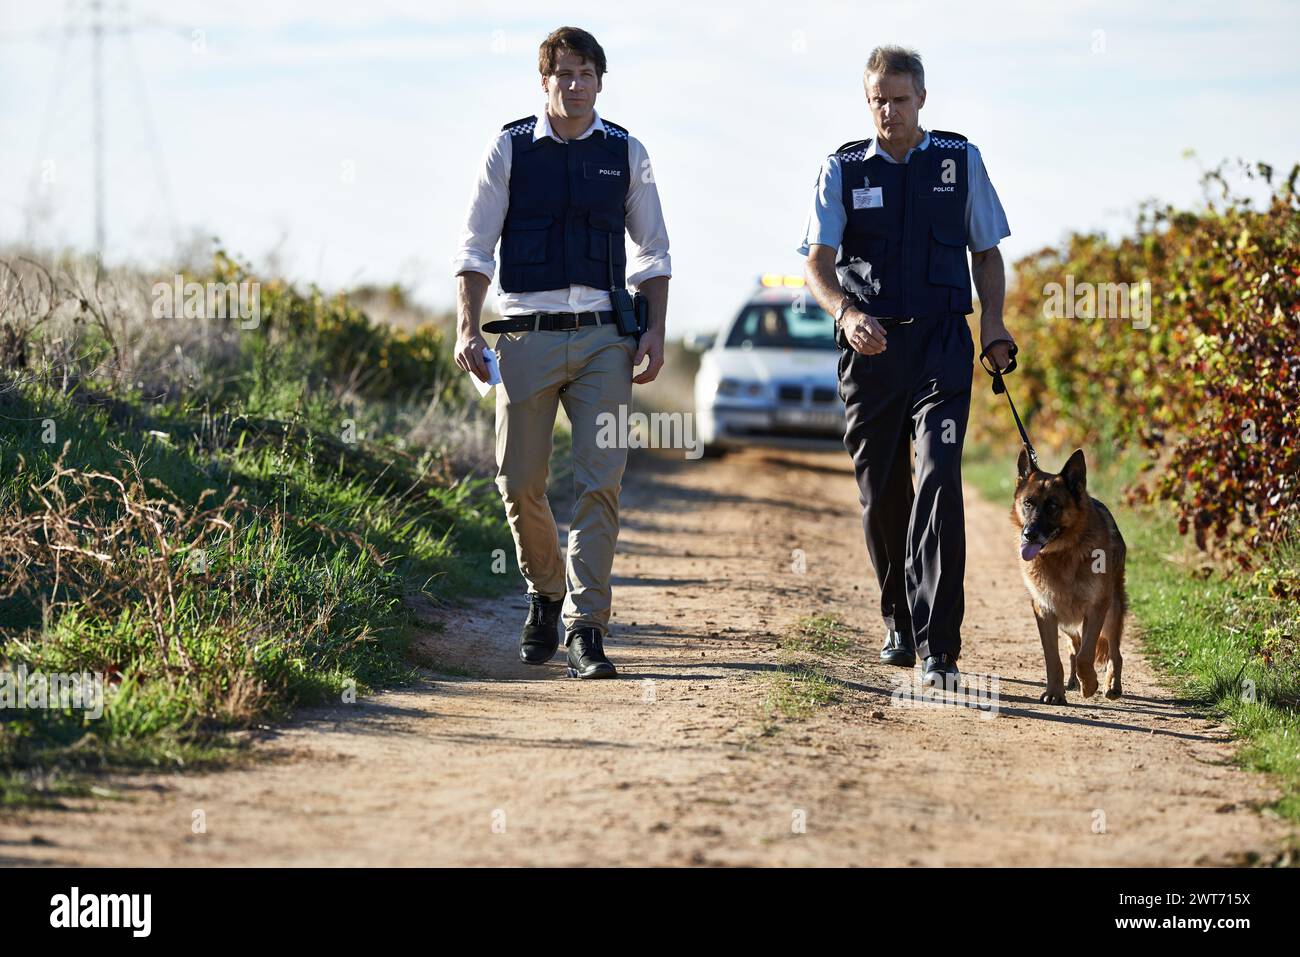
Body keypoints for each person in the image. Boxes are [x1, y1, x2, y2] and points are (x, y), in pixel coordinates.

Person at [452, 26, 671, 679]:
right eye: (562, 74)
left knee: (599, 482)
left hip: (607, 337)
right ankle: (546, 592)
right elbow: (473, 248)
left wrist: (654, 330)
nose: (574, 85)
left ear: (600, 80)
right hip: (523, 335)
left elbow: (654, 252)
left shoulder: (627, 152)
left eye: (585, 74)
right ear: (543, 82)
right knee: (519, 481)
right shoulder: (510, 149)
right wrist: (468, 326)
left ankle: (586, 626)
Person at [799, 44, 1015, 688]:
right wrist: (844, 312)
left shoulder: (960, 160)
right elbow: (816, 262)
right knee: (883, 490)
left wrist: (995, 322)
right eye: (878, 101)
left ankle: (938, 644)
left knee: (941, 479)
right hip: (871, 352)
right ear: (867, 103)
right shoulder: (841, 169)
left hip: (943, 346)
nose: (889, 111)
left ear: (922, 98)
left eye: (899, 98)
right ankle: (897, 614)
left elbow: (988, 252)